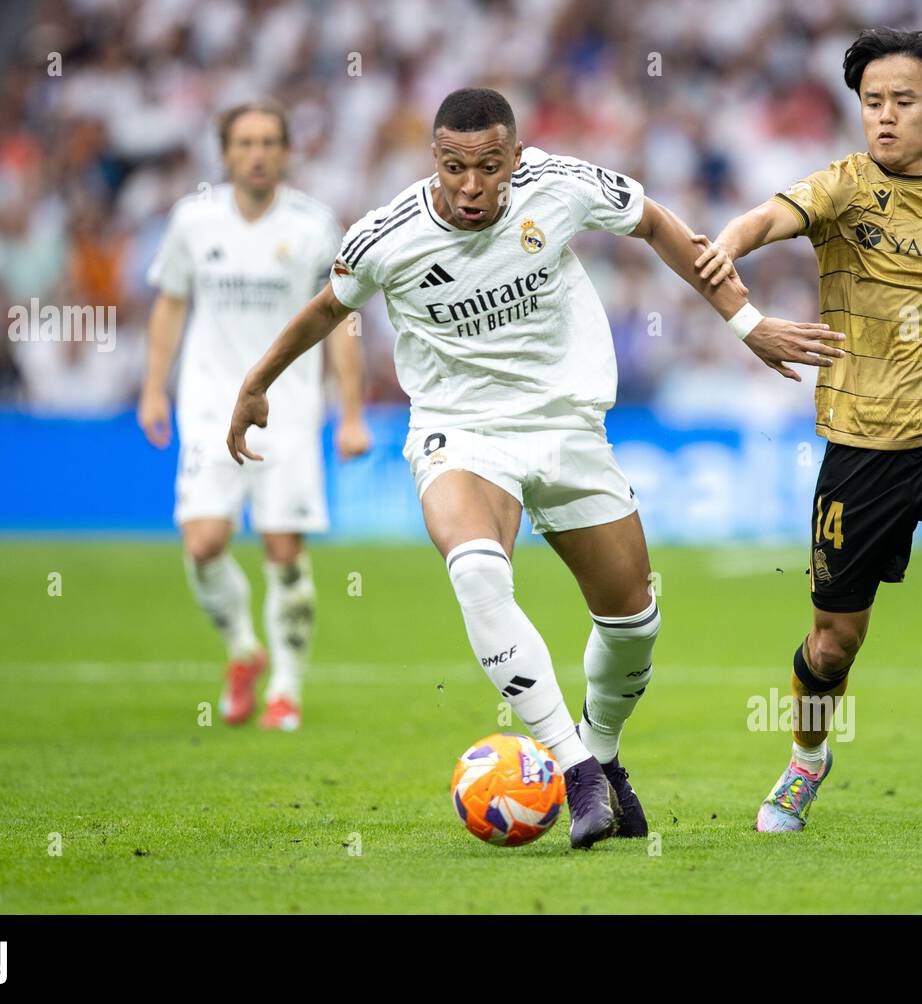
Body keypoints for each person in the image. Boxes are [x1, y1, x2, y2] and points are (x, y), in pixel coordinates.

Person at [228, 87, 840, 848]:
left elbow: (655, 224)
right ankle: (573, 766)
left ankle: (605, 756)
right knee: (478, 571)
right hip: (461, 429)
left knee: (633, 624)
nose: (472, 185)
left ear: (515, 157)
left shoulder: (561, 185)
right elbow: (327, 307)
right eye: (455, 167)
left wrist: (745, 324)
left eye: (489, 166)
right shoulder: (386, 236)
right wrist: (258, 382)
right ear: (436, 162)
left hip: (566, 425)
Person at [695, 28, 922, 831]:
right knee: (832, 645)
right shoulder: (843, 187)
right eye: (871, 103)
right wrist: (728, 243)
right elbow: (768, 218)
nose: (884, 117)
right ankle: (806, 759)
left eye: (903, 101)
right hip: (861, 449)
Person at [138, 100, 370, 732]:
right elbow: (170, 304)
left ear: (287, 151)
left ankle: (286, 691)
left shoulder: (315, 225)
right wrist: (153, 389)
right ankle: (244, 648)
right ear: (225, 152)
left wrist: (350, 412)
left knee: (282, 545)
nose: (258, 152)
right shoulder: (193, 220)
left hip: (289, 409)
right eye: (245, 142)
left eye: (270, 141)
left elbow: (343, 319)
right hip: (209, 403)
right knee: (205, 542)